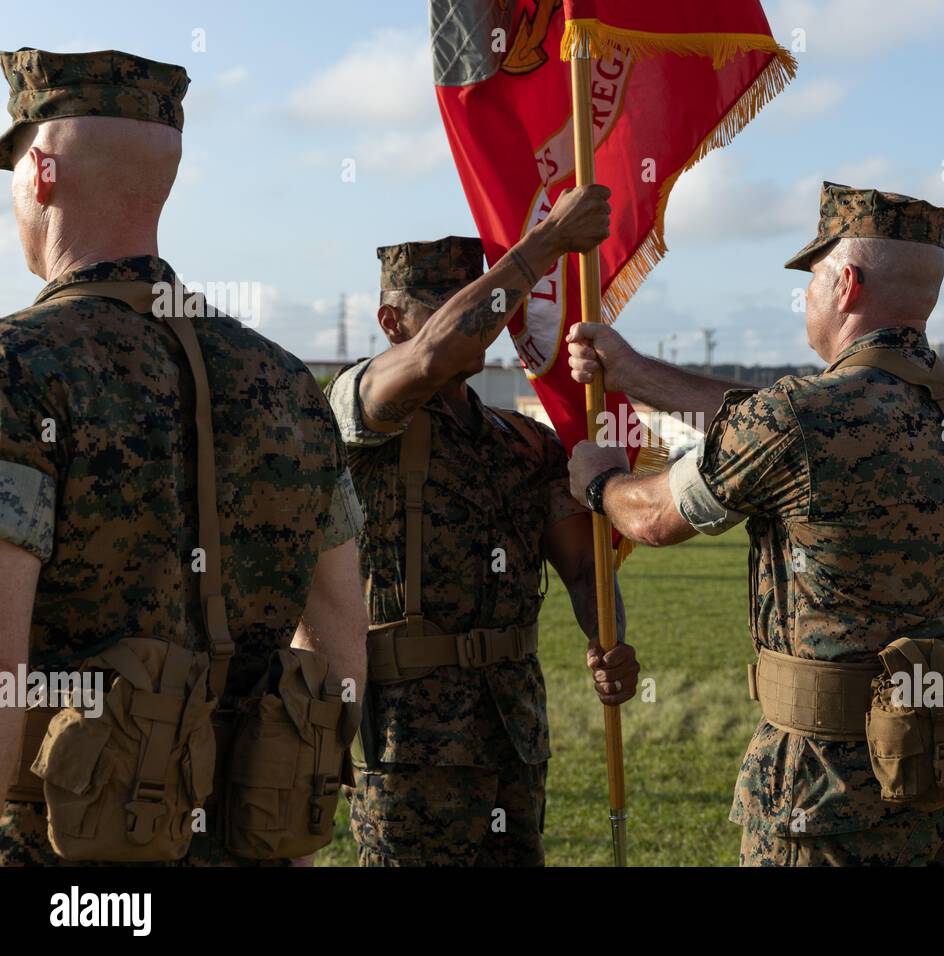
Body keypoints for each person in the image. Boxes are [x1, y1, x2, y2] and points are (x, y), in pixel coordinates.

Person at [564, 183, 944, 866]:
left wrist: (599, 481)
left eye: (813, 278)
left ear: (847, 282)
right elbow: (770, 426)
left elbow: (653, 518)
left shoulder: (802, 418)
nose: (806, 295)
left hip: (835, 787)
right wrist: (632, 373)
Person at [0, 48, 368, 865]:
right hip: (247, 843)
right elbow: (342, 634)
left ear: (42, 172)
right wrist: (293, 832)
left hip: (60, 854)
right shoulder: (288, 382)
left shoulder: (17, 371)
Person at [325, 210, 640, 866]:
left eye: (494, 303)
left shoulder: (522, 441)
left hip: (513, 728)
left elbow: (583, 569)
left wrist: (608, 639)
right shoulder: (361, 405)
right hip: (408, 741)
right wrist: (547, 242)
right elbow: (441, 352)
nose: (489, 325)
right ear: (392, 323)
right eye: (459, 306)